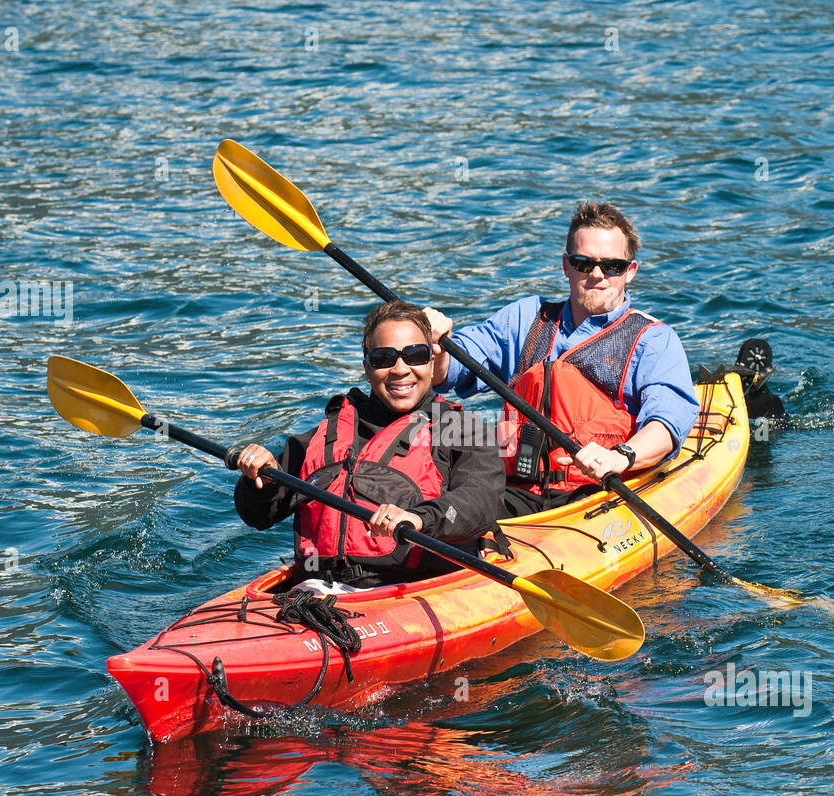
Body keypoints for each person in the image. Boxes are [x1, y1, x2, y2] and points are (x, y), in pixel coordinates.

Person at [426, 201, 701, 516]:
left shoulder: (653, 340)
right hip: (516, 491)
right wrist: (435, 351)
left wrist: (621, 455)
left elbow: (667, 423)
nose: (597, 275)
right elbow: (451, 371)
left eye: (612, 266)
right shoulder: (526, 318)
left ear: (630, 272)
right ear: (566, 265)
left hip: (601, 493)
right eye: (584, 263)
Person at [233, 301, 505, 590]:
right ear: (366, 367)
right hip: (316, 589)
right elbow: (259, 516)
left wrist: (419, 518)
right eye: (384, 359)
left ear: (431, 361)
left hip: (415, 590)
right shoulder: (327, 435)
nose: (400, 370)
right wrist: (259, 481)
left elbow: (481, 501)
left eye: (415, 355)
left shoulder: (462, 430)